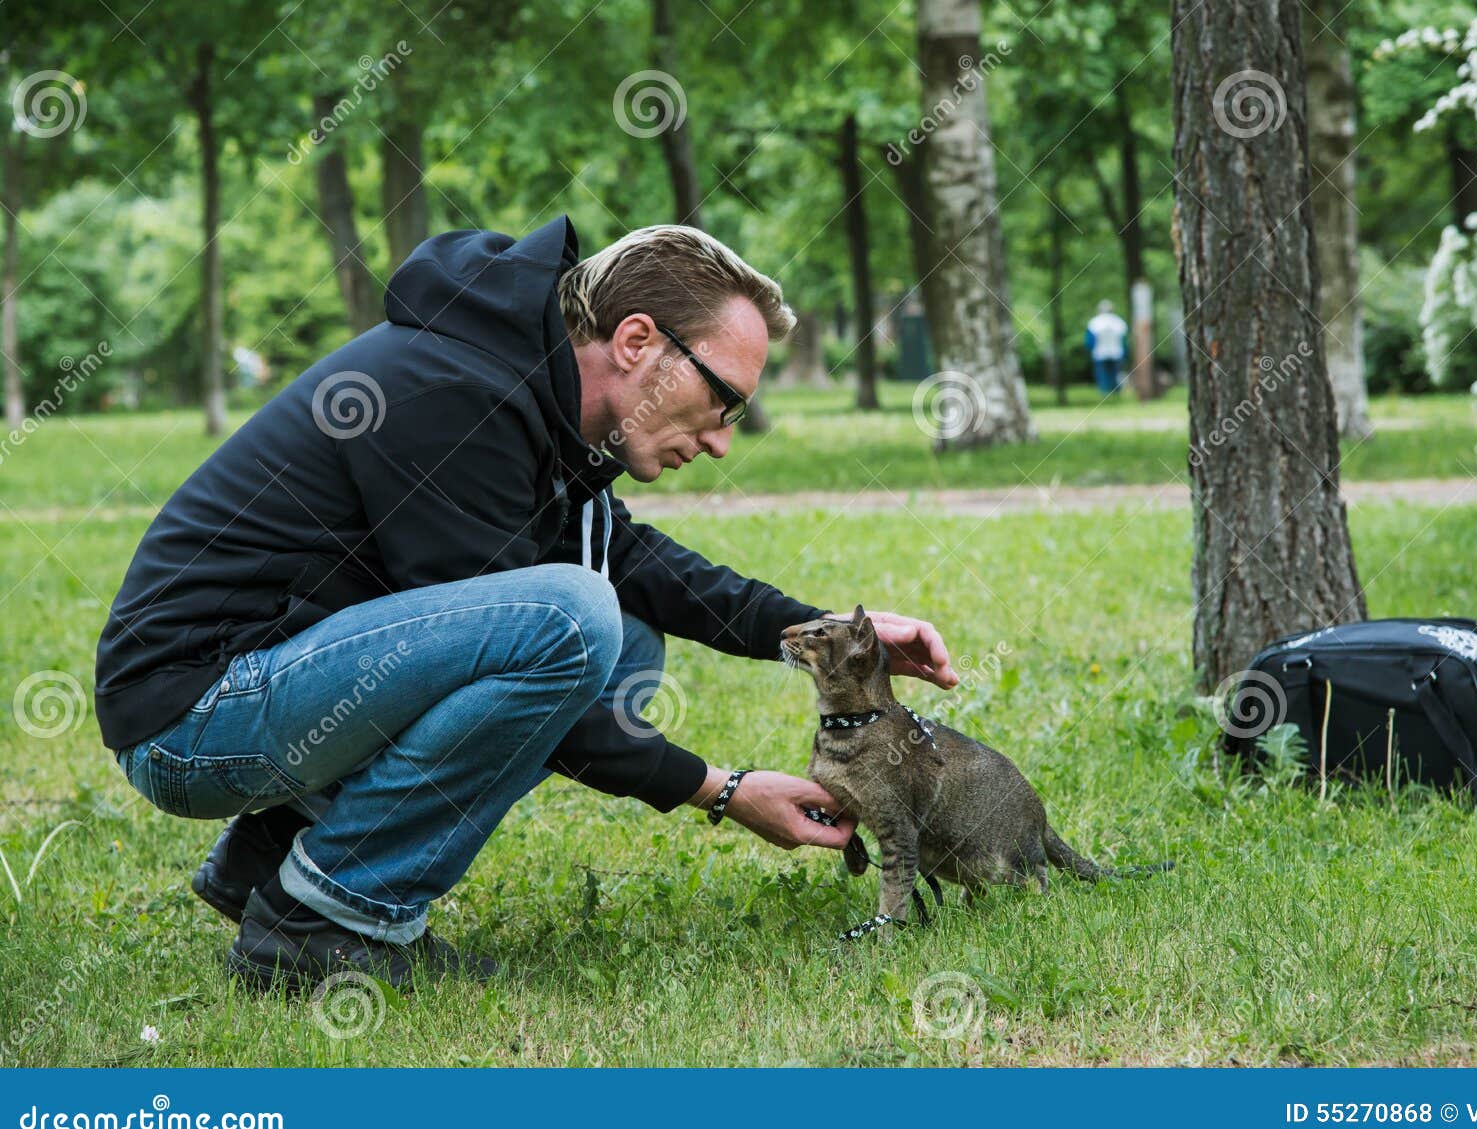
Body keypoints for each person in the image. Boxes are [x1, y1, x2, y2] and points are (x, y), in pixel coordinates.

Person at [95, 219, 958, 990]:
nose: (724, 438)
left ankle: (272, 865)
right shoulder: (455, 394)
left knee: (617, 637)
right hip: (193, 718)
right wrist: (721, 791)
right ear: (635, 341)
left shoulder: (538, 398)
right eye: (723, 398)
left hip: (275, 689)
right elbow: (543, 657)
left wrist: (832, 633)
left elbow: (626, 557)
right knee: (573, 619)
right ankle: (324, 922)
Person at [1085, 299, 1128, 395]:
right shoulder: (1119, 322)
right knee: (1115, 375)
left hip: (1100, 353)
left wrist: (1090, 350)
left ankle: (1104, 394)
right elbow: (1124, 341)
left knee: (1102, 375)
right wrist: (1125, 354)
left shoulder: (1094, 322)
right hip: (1116, 353)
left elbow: (1090, 341)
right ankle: (1116, 394)